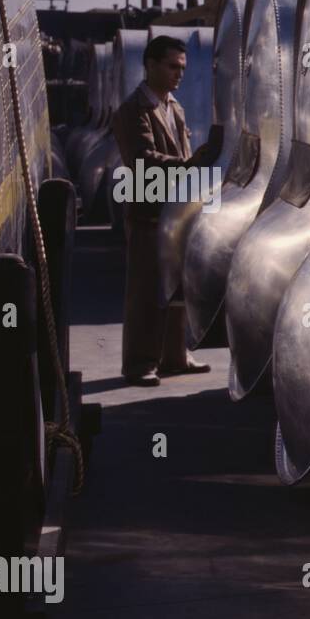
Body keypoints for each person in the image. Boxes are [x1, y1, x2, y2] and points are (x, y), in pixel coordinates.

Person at [111, 34, 215, 387]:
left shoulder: (174, 107)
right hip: (148, 212)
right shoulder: (133, 110)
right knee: (145, 291)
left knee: (176, 288)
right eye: (172, 66)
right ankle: (140, 363)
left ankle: (174, 356)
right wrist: (191, 164)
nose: (179, 74)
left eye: (183, 68)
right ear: (150, 65)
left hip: (175, 212)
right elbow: (142, 161)